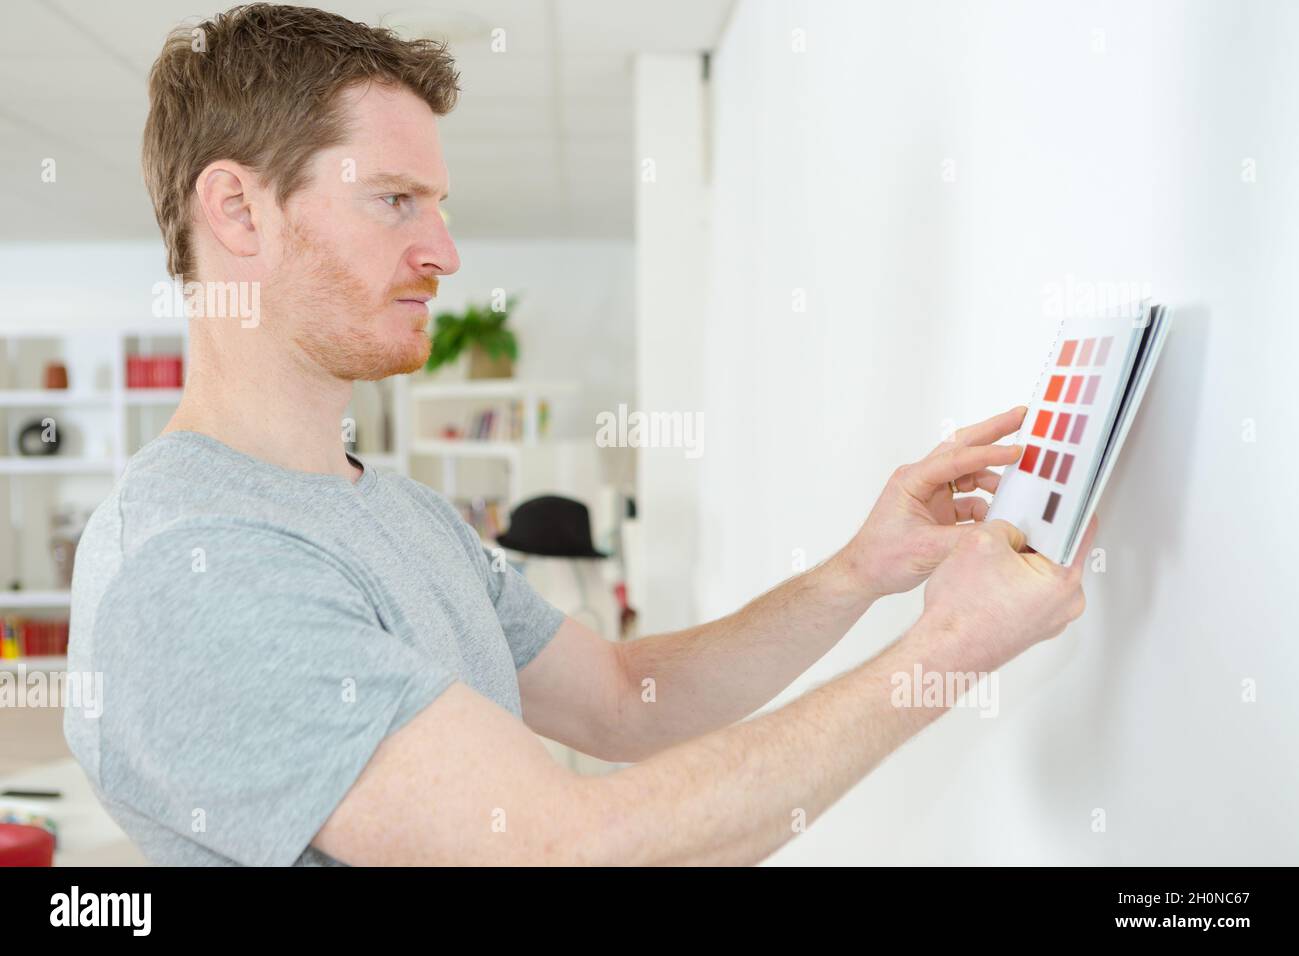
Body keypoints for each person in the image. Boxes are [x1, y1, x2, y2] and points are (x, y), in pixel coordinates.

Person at [64, 3, 1095, 866]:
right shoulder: (191, 572)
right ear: (237, 209)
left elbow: (622, 699)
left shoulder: (392, 507)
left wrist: (857, 573)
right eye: (394, 201)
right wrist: (948, 648)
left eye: (440, 204)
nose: (444, 250)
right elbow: (563, 847)